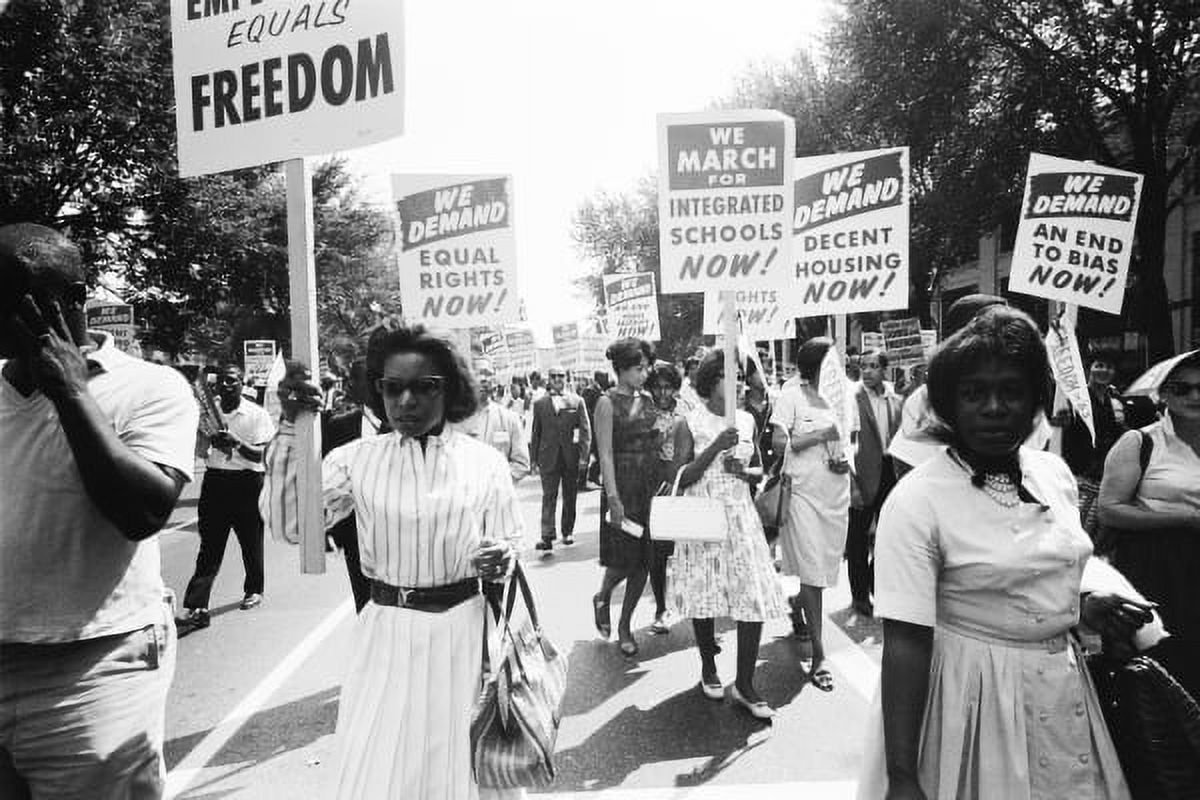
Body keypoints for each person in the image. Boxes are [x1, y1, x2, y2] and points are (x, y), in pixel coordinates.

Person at [859, 306, 1150, 800]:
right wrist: (903, 775)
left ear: (1036, 400)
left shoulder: (1053, 474)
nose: (994, 407)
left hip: (1063, 692)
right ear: (950, 404)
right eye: (974, 393)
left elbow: (1043, 576)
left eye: (1011, 392)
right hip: (971, 704)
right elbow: (905, 642)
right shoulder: (916, 500)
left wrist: (1084, 611)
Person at [260, 323, 524, 800]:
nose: (406, 401)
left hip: (464, 634)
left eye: (424, 387)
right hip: (386, 633)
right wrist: (288, 426)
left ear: (451, 389)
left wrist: (500, 557)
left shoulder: (485, 463)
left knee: (459, 767)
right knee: (379, 765)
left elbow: (509, 541)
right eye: (392, 387)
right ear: (377, 389)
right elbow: (291, 525)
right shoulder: (355, 460)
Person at [0, 223, 198, 798]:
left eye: (20, 300)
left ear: (76, 300)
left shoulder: (151, 387)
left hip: (93, 671)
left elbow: (142, 511)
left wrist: (70, 391)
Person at [669, 350, 788, 719]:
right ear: (710, 381)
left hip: (741, 517)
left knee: (751, 598)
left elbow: (762, 473)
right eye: (728, 375)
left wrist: (745, 472)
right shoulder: (690, 421)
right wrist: (715, 448)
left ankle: (746, 684)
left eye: (740, 375)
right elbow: (679, 477)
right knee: (705, 597)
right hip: (703, 518)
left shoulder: (749, 421)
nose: (737, 382)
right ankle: (708, 665)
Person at [1098, 350, 1200, 701]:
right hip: (1157, 566)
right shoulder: (1140, 442)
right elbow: (1110, 509)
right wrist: (1184, 519)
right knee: (1167, 665)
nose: (1194, 396)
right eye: (1182, 388)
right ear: (1163, 394)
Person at [770, 336, 852, 692]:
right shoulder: (790, 397)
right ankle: (820, 655)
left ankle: (798, 602)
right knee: (813, 573)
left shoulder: (841, 398)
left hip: (834, 497)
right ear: (817, 364)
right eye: (832, 359)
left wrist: (842, 461)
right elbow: (779, 444)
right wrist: (819, 434)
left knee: (820, 572)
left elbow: (846, 442)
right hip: (801, 496)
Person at [176, 363, 275, 632]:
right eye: (222, 381)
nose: (227, 385)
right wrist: (206, 439)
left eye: (232, 381)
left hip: (248, 484)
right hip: (216, 482)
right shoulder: (208, 414)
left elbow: (262, 455)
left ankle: (254, 589)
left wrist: (237, 444)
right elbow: (200, 451)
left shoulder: (256, 414)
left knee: (250, 541)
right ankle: (197, 605)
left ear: (243, 383)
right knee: (210, 547)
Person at [593, 338, 659, 656]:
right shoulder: (606, 403)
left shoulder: (648, 400)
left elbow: (657, 439)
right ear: (620, 369)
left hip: (648, 490)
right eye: (637, 368)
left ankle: (624, 625)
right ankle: (603, 595)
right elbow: (604, 454)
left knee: (644, 563)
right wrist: (613, 497)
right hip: (622, 488)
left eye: (646, 368)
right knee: (623, 561)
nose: (644, 374)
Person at [320, 357, 386, 614]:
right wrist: (326, 526)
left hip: (397, 530)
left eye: (355, 379)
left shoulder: (404, 424)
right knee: (365, 605)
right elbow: (326, 480)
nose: (348, 385)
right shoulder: (339, 425)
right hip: (355, 532)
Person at [845, 349, 903, 619]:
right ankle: (859, 596)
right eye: (863, 366)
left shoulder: (895, 399)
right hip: (862, 476)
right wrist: (852, 484)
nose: (867, 371)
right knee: (857, 539)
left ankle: (873, 580)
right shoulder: (851, 399)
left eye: (872, 366)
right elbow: (846, 444)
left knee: (890, 536)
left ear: (884, 370)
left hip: (890, 474)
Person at [1054, 353, 1127, 537]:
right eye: (1099, 365)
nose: (1104, 370)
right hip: (1078, 474)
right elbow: (1061, 423)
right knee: (1076, 533)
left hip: (1103, 474)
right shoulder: (1075, 399)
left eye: (1109, 367)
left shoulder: (1114, 401)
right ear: (1089, 370)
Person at [530, 366, 591, 550]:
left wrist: (584, 456)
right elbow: (536, 433)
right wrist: (533, 459)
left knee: (570, 495)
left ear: (566, 378)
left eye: (560, 376)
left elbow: (585, 431)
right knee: (549, 495)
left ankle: (567, 531)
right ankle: (547, 534)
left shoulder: (577, 401)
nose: (557, 379)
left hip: (570, 456)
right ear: (548, 379)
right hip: (548, 456)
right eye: (553, 376)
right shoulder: (540, 404)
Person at [645, 362, 684, 635]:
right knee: (658, 553)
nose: (662, 392)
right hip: (656, 486)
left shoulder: (687, 410)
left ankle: (695, 608)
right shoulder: (646, 413)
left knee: (687, 550)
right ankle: (660, 608)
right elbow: (644, 449)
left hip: (684, 484)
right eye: (657, 387)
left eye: (667, 387)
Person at [454, 361, 531, 483]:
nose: (483, 379)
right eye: (478, 373)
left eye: (488, 374)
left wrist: (494, 481)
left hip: (497, 496)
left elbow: (522, 464)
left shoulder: (509, 419)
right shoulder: (454, 421)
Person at [581, 369, 610, 488]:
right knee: (592, 455)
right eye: (605, 377)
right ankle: (585, 480)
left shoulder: (597, 390)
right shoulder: (591, 390)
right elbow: (586, 410)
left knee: (597, 455)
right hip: (592, 429)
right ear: (600, 378)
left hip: (596, 429)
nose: (607, 380)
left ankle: (592, 477)